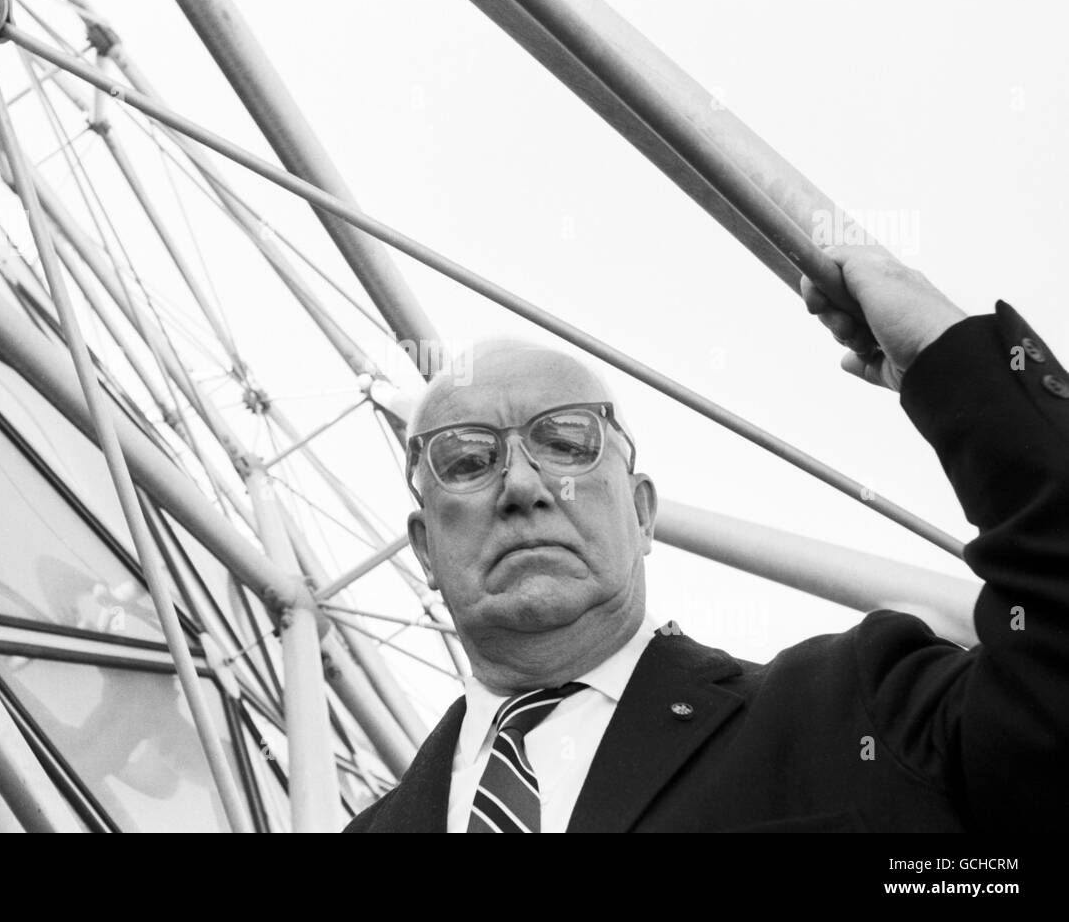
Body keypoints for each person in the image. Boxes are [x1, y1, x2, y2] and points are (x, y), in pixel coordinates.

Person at [343, 243, 1069, 832]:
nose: (523, 485)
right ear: (423, 547)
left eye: (565, 441)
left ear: (642, 511)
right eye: (468, 459)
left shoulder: (850, 712)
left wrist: (958, 362)